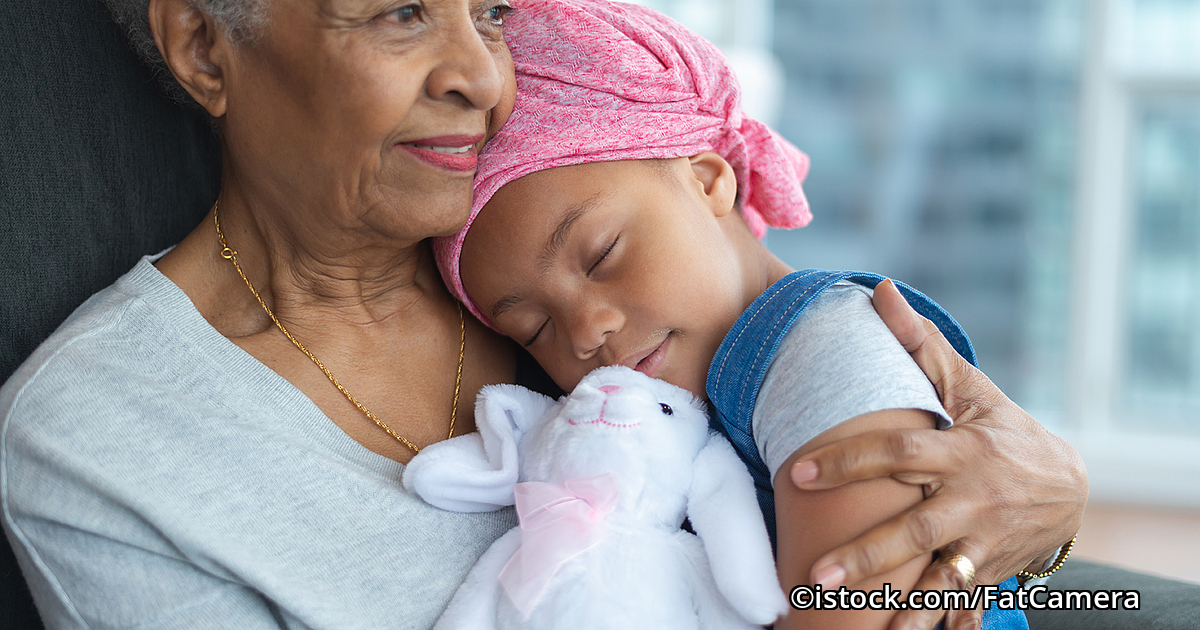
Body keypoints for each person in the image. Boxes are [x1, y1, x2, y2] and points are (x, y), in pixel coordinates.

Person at [0, 1, 1083, 630]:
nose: (484, 76)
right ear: (204, 46)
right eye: (403, 11)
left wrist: (1041, 507)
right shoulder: (104, 439)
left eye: (491, 12)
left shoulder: (555, 239)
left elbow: (886, 510)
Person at [434, 2, 1064, 629]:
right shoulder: (638, 407)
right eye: (535, 329)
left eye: (602, 255)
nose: (584, 332)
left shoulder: (827, 355)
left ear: (708, 180)